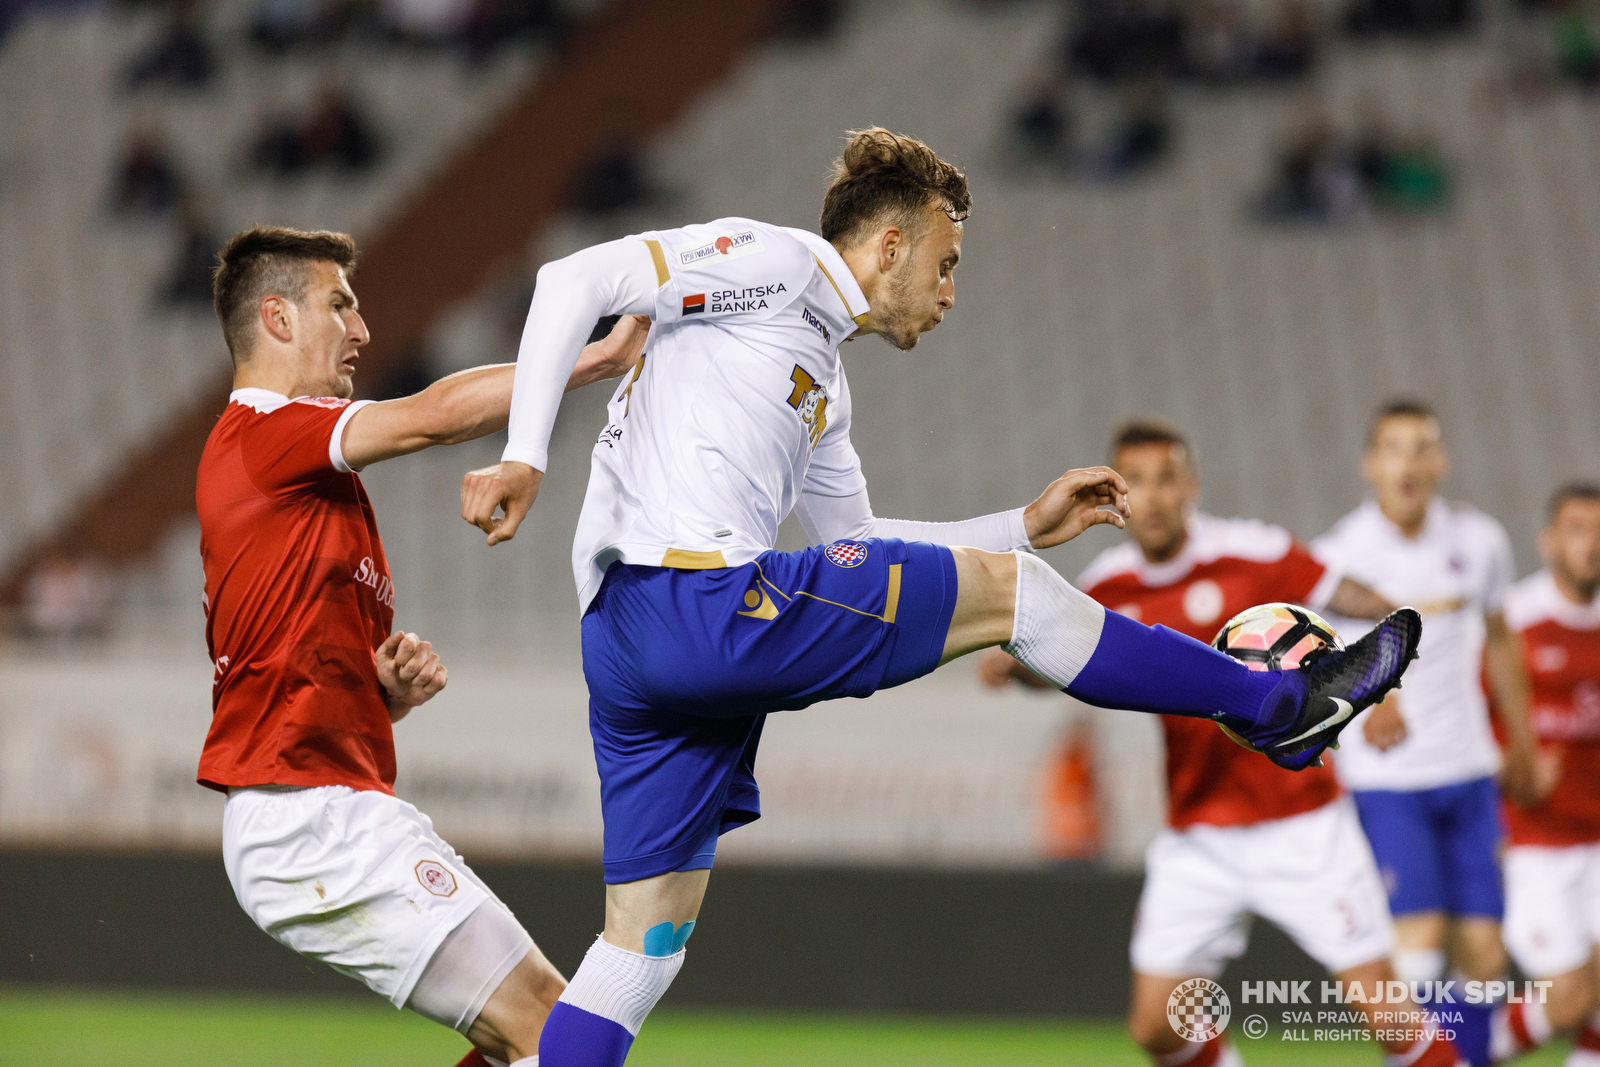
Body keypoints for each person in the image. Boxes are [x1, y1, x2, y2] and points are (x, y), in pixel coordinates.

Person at [460, 127, 1422, 1066]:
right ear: (888, 247)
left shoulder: (823, 382)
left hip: (628, 641)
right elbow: (569, 281)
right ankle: (1280, 703)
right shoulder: (779, 262)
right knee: (1018, 599)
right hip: (695, 602)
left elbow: (858, 551)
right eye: (946, 260)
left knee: (638, 951)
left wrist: (1021, 526)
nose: (951, 291)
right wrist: (522, 455)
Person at [196, 225, 648, 1067]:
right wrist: (591, 359)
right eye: (341, 304)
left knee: (538, 1034)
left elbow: (277, 661)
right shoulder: (264, 431)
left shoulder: (311, 482)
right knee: (558, 1030)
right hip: (306, 818)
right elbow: (437, 417)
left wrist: (379, 689)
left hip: (328, 805)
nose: (362, 330)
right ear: (277, 318)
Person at [981, 418, 1462, 1067]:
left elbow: (1352, 598)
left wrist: (1387, 683)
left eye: (1166, 478)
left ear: (1191, 485)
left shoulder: (1252, 553)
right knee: (1157, 1025)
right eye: (1136, 482)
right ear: (1116, 496)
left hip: (1301, 823)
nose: (1152, 497)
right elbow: (1067, 667)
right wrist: (1017, 673)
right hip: (1199, 832)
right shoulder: (1109, 584)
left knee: (1387, 1016)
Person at [1314, 399, 1549, 1067]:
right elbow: (1311, 659)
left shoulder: (1479, 540)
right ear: (1370, 464)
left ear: (1441, 461)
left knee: (1484, 954)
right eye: (1395, 448)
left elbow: (1500, 643)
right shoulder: (1339, 553)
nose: (1409, 462)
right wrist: (1371, 692)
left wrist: (1523, 745)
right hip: (1388, 781)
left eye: (1423, 447)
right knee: (1414, 947)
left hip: (1470, 771)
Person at [1484, 484, 1600, 1064]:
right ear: (1549, 542)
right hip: (1535, 843)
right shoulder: (1516, 622)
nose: (1593, 544)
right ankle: (1461, 1051)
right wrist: (1511, 766)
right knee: (1570, 996)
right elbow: (1468, 724)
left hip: (1596, 840)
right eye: (1579, 530)